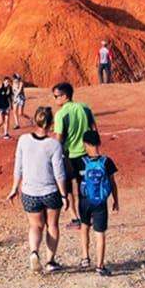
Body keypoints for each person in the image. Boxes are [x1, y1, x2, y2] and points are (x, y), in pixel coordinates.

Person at [7, 105, 68, 273]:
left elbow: (18, 167)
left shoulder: (23, 140)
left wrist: (14, 188)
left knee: (35, 226)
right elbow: (59, 173)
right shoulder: (54, 145)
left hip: (29, 192)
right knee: (52, 225)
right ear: (51, 123)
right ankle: (50, 261)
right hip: (50, 192)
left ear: (36, 120)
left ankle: (34, 251)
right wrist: (64, 195)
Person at [52, 82, 97, 230]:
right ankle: (90, 215)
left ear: (65, 96)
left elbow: (58, 139)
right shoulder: (85, 108)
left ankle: (75, 218)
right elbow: (94, 129)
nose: (55, 99)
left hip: (69, 155)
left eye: (56, 96)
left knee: (68, 188)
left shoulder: (61, 115)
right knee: (85, 185)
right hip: (86, 154)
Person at [77, 130, 119, 276]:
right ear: (99, 143)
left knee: (84, 227)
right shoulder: (107, 161)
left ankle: (85, 258)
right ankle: (100, 266)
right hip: (100, 202)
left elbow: (75, 180)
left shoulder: (81, 162)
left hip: (84, 201)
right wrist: (115, 200)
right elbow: (112, 183)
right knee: (100, 233)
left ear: (85, 144)